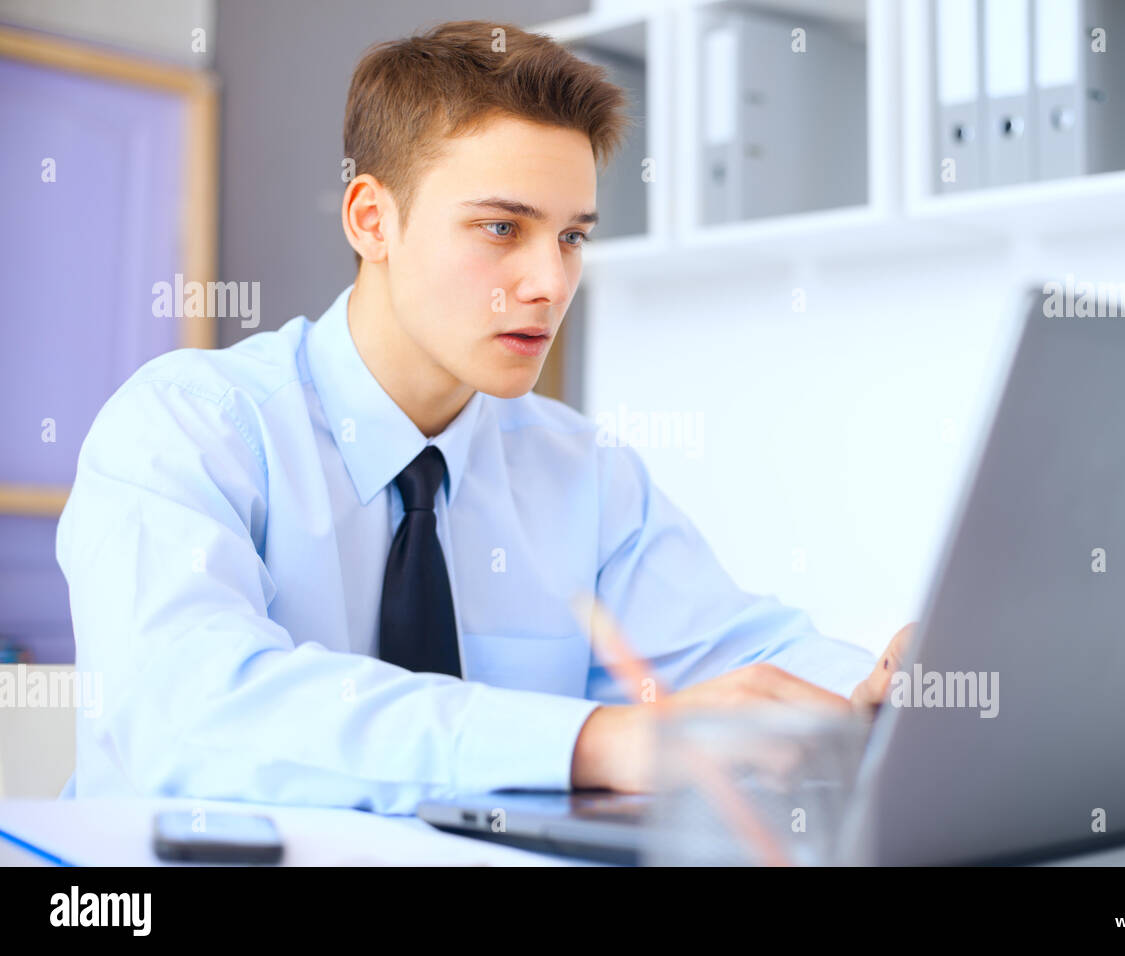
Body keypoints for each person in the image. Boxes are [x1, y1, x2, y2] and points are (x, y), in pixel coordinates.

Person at [55, 20, 912, 813]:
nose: (551, 282)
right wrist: (596, 743)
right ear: (372, 220)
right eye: (502, 228)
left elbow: (740, 657)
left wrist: (879, 690)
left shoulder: (583, 473)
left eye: (573, 236)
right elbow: (185, 709)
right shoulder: (188, 427)